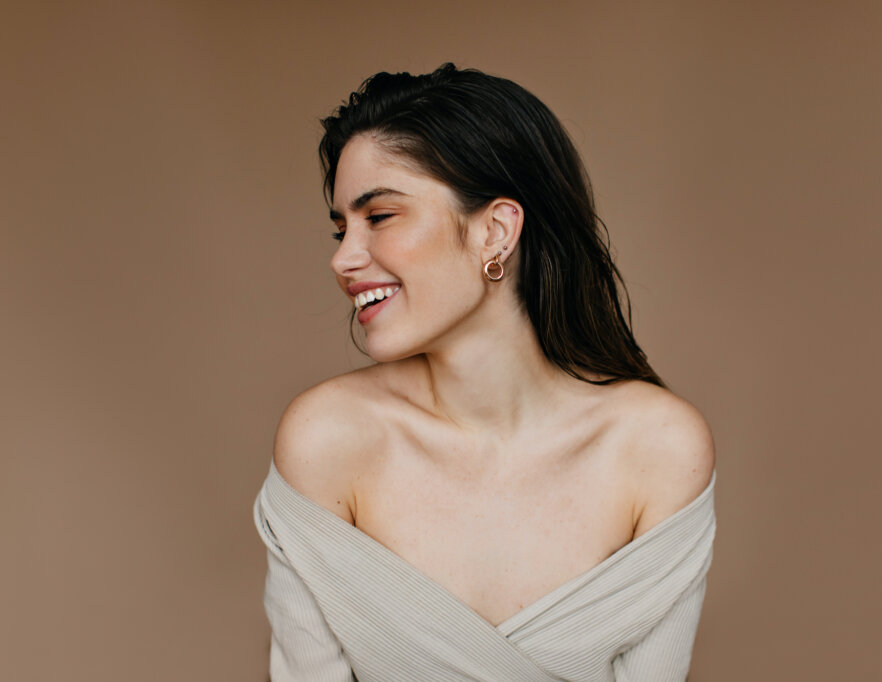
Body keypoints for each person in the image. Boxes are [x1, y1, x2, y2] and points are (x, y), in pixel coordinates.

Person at [253, 63, 716, 682]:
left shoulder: (656, 447)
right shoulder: (328, 438)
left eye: (380, 217)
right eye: (341, 228)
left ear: (495, 231)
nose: (343, 258)